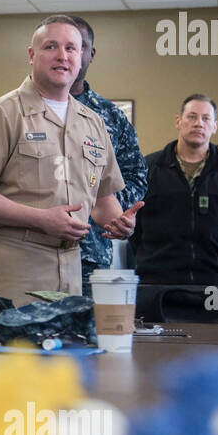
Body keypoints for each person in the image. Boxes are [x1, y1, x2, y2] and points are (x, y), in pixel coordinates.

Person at [0, 15, 141, 306]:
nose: (62, 56)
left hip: (72, 270)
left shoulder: (93, 123)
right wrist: (41, 219)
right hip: (17, 268)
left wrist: (120, 223)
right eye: (51, 47)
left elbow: (103, 201)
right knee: (14, 352)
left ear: (81, 57)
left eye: (71, 48)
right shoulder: (4, 113)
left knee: (65, 352)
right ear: (32, 55)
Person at [132, 94, 218, 285]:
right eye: (191, 116)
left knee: (213, 316)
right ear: (178, 121)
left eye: (206, 118)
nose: (198, 123)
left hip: (213, 283)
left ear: (214, 126)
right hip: (155, 282)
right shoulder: (149, 168)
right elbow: (133, 227)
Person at [67, 15, 148, 296]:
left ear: (91, 53)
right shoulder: (16, 112)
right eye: (61, 47)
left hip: (90, 254)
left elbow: (135, 173)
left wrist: (114, 211)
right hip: (29, 258)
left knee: (90, 338)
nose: (70, 56)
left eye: (79, 47)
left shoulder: (108, 116)